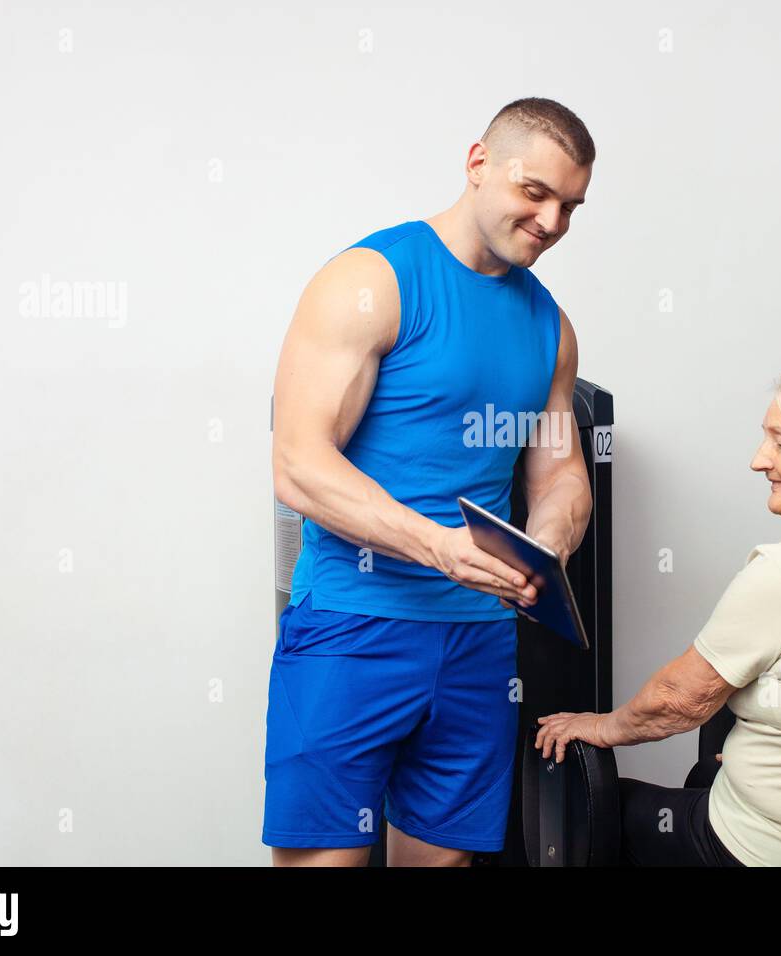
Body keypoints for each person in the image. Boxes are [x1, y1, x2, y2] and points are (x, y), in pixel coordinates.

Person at [265, 98, 595, 866]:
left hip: (479, 642)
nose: (552, 222)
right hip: (354, 625)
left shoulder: (551, 326)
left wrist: (544, 546)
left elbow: (561, 473)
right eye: (535, 193)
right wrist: (436, 548)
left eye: (571, 206)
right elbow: (298, 464)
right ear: (478, 163)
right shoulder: (370, 280)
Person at [534, 351, 781, 866]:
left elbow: (678, 700)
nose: (760, 460)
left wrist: (600, 726)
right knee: (704, 772)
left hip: (760, 846)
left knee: (594, 810)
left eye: (780, 442)